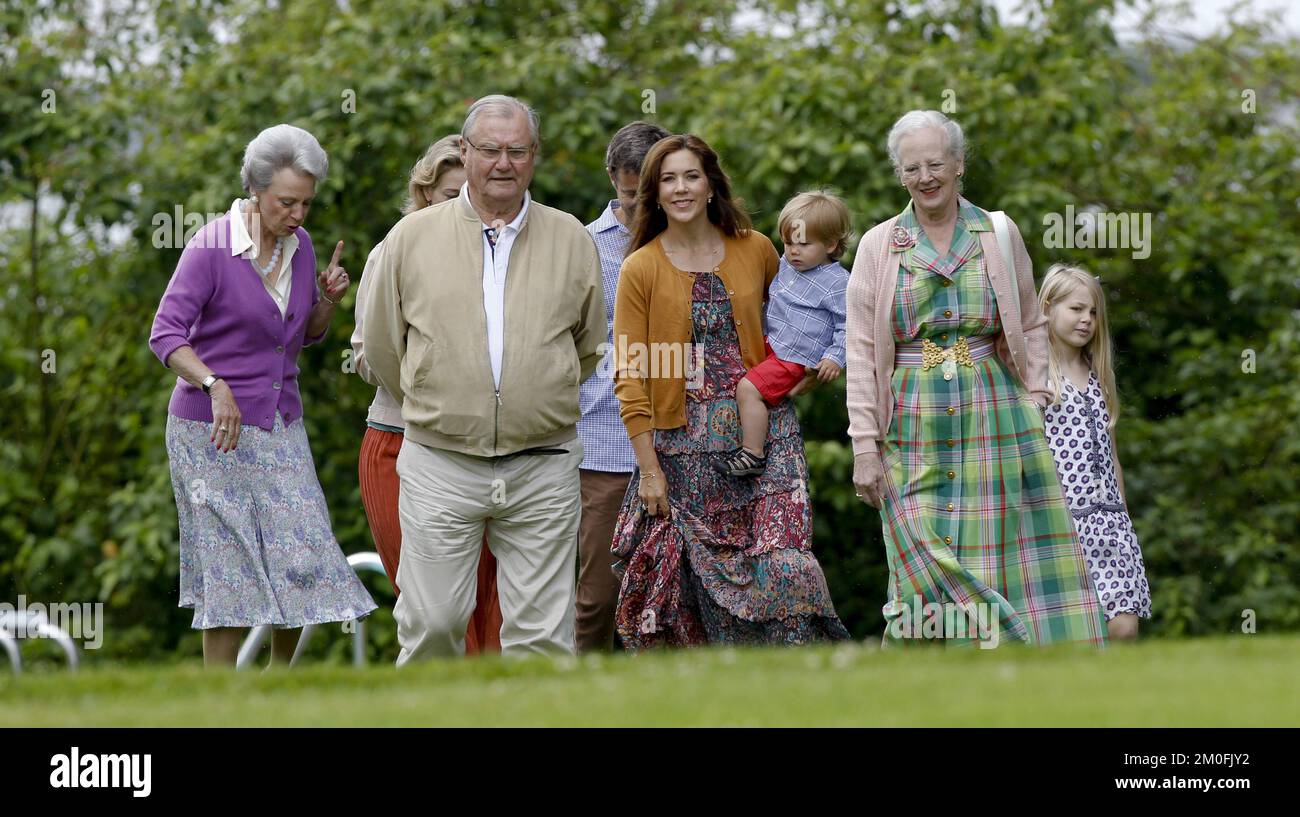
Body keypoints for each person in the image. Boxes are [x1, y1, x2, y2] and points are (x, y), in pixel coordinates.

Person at [846, 110, 1106, 647]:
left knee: (989, 552)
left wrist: (1036, 395)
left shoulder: (999, 233)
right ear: (900, 175)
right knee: (919, 544)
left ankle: (1002, 668)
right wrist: (864, 446)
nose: (925, 177)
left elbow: (1033, 323)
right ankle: (954, 664)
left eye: (936, 163)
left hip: (993, 413)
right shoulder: (878, 245)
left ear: (959, 164)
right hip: (911, 421)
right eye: (912, 167)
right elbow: (862, 351)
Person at [361, 95, 605, 660]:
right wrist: (439, 397)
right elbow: (380, 343)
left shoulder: (570, 237)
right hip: (440, 458)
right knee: (433, 623)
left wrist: (533, 394)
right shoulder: (412, 238)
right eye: (490, 149)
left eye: (517, 151)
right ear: (464, 152)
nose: (504, 162)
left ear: (534, 156)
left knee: (542, 636)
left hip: (543, 459)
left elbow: (588, 345)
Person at [149, 123, 376, 667]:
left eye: (306, 203)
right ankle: (219, 696)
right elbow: (165, 335)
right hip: (209, 431)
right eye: (286, 202)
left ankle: (280, 679)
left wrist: (324, 302)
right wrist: (214, 383)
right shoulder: (211, 246)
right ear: (255, 190)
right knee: (227, 562)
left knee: (303, 549)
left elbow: (297, 339)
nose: (297, 214)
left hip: (278, 422)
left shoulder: (301, 248)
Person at [611, 133, 849, 648]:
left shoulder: (758, 249)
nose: (681, 188)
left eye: (691, 176)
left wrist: (807, 369)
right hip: (683, 448)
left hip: (763, 434)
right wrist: (649, 469)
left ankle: (799, 688)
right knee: (701, 587)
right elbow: (630, 374)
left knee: (784, 562)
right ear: (653, 193)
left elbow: (805, 316)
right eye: (668, 179)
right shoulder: (641, 267)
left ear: (711, 185)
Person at [351, 134, 503, 654]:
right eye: (448, 194)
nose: (463, 205)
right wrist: (438, 390)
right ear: (424, 194)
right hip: (399, 444)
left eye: (472, 192)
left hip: (489, 454)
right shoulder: (391, 252)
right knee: (430, 607)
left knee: (496, 603)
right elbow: (366, 355)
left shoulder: (505, 257)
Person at [576, 120, 671, 652]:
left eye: (648, 195)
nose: (639, 209)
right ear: (613, 179)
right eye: (629, 195)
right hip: (605, 436)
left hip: (683, 433)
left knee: (678, 588)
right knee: (598, 592)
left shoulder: (693, 241)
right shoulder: (584, 245)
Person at [1039, 263, 1151, 640]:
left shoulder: (1099, 375)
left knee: (1123, 627)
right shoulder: (1036, 377)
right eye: (1075, 309)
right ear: (1047, 309)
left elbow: (1112, 454)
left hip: (1109, 523)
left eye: (1093, 312)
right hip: (1062, 521)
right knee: (1074, 634)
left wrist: (1124, 518)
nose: (1086, 320)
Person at [714, 190, 851, 478]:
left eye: (803, 243)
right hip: (773, 342)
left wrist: (834, 358)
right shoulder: (788, 264)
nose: (793, 251)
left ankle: (753, 454)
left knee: (748, 389)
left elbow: (849, 325)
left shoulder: (837, 283)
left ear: (830, 243)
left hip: (796, 356)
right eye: (788, 242)